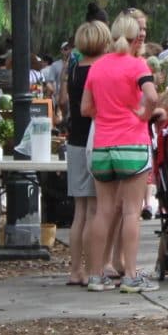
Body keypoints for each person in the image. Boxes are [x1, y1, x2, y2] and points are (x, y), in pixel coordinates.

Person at [82, 13, 161, 292]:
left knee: (102, 211)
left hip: (103, 144)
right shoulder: (137, 64)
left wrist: (106, 112)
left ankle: (95, 274)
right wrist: (144, 114)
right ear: (133, 37)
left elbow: (84, 109)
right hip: (132, 142)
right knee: (130, 212)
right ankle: (129, 275)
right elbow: (152, 96)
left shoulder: (97, 66)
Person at [61, 20, 109, 287]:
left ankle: (75, 269)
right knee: (94, 208)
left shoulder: (74, 69)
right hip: (97, 139)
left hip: (75, 140)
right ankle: (93, 267)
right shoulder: (101, 69)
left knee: (79, 211)